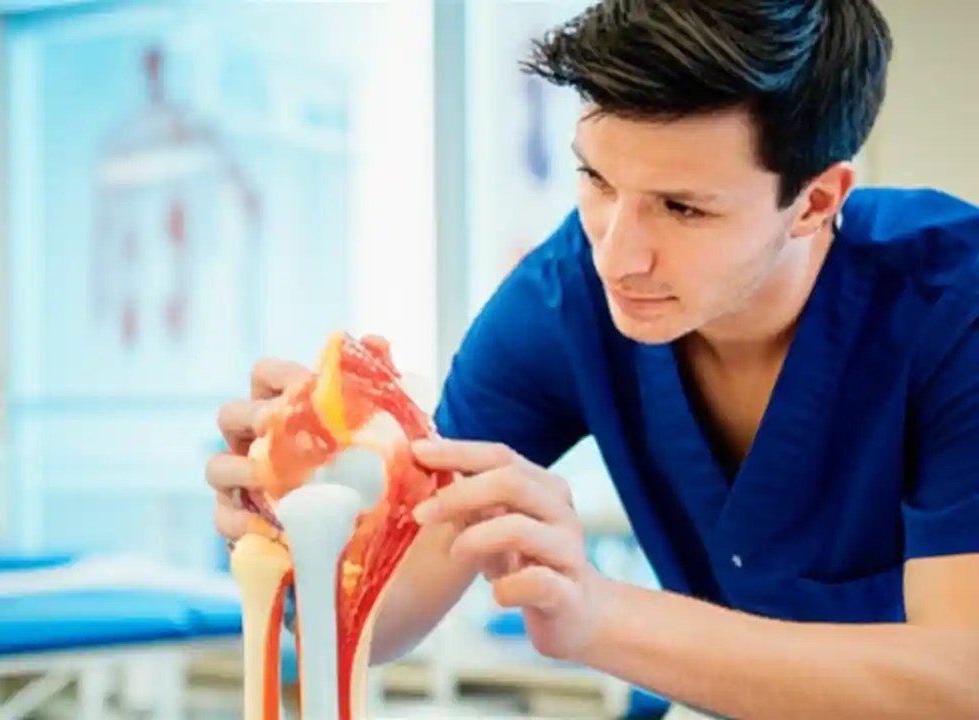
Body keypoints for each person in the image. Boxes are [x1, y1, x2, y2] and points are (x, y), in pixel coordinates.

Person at [207, 0, 979, 717]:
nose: (617, 254)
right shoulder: (560, 300)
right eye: (597, 179)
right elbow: (381, 623)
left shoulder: (953, 305)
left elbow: (961, 678)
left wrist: (598, 615)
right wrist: (310, 528)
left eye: (682, 208)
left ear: (814, 202)